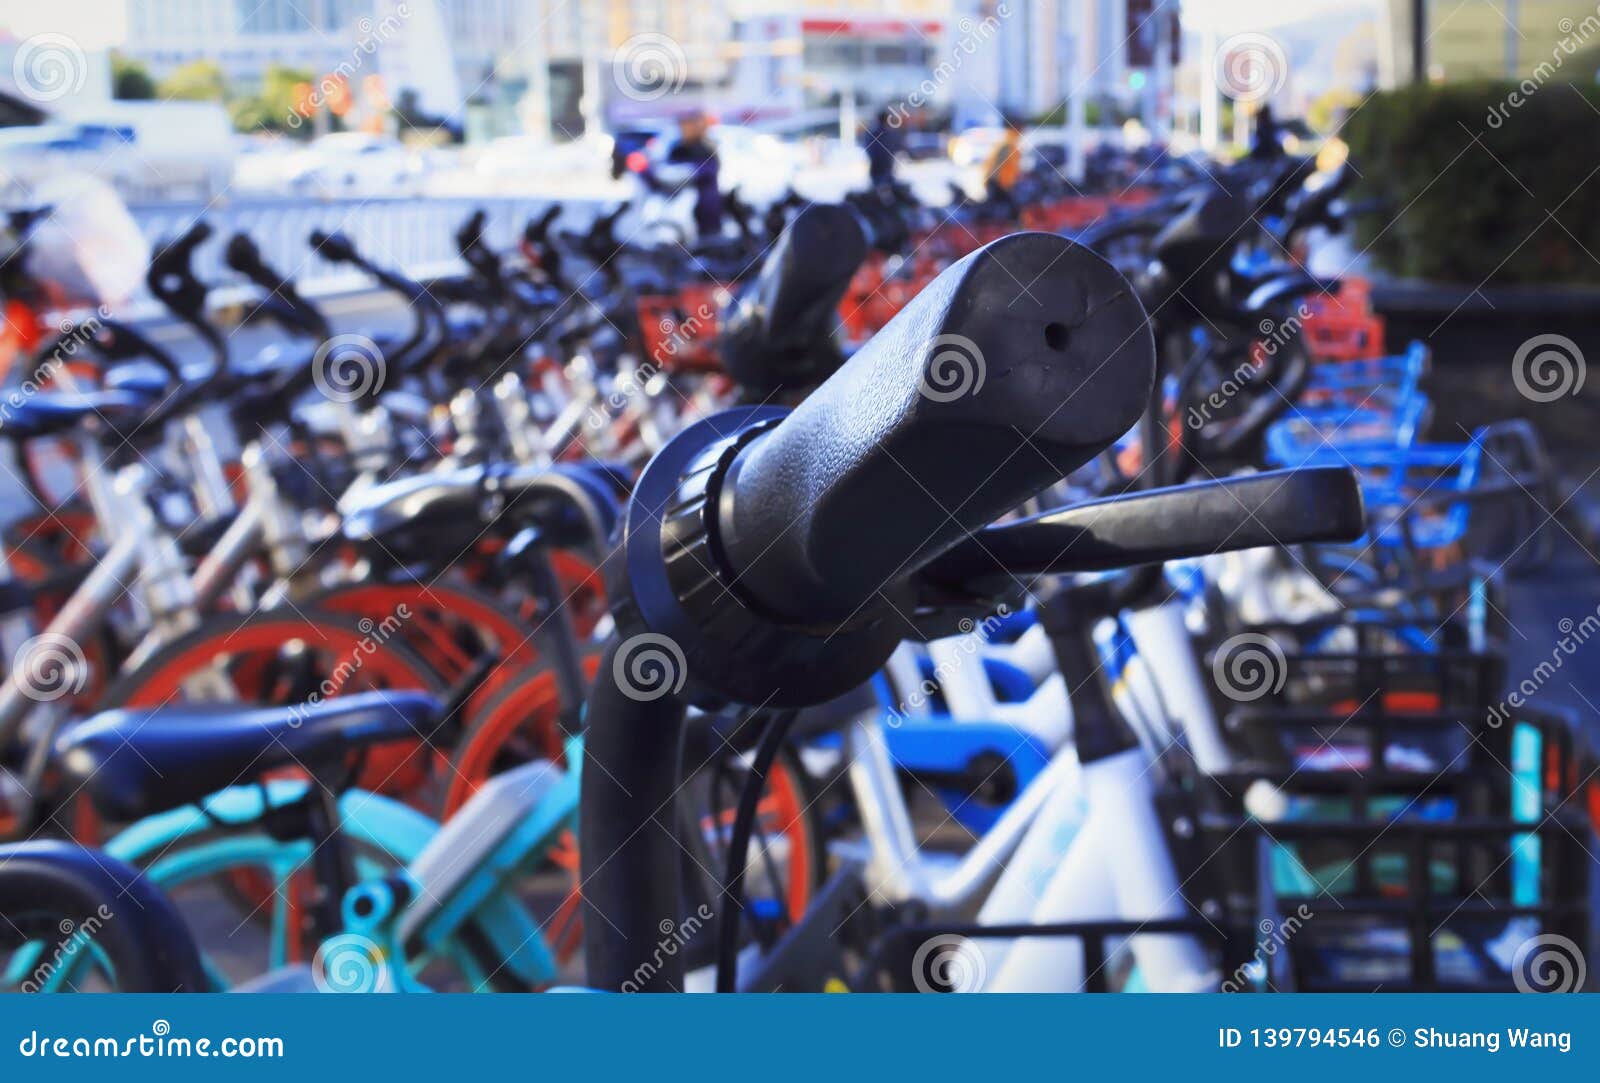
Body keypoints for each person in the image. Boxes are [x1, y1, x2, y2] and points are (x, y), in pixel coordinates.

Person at [634, 111, 725, 239]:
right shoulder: (677, 150)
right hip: (676, 218)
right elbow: (660, 182)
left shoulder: (707, 150)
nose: (685, 128)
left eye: (689, 124)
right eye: (683, 124)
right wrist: (645, 170)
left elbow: (696, 174)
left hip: (705, 218)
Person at [982, 116, 1024, 215]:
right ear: (1016, 127)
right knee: (1009, 211)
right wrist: (997, 184)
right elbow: (997, 165)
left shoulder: (1009, 141)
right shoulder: (1008, 143)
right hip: (998, 183)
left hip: (998, 183)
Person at [865, 107, 904, 189]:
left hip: (879, 169)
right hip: (883, 169)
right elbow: (898, 147)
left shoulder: (873, 134)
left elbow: (868, 149)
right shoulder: (890, 134)